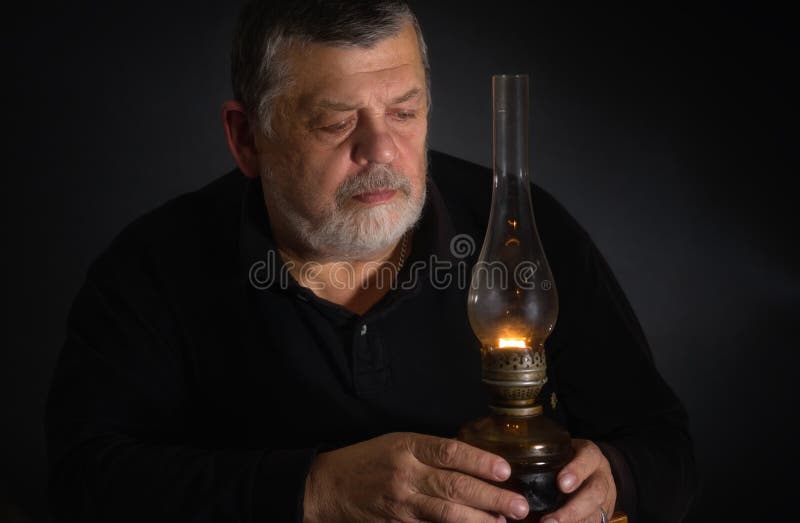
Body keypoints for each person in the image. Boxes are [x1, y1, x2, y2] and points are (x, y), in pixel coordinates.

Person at [45, 1, 697, 522]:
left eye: (404, 112)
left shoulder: (523, 232)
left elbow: (664, 448)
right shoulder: (152, 267)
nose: (381, 150)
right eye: (336, 123)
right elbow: (82, 484)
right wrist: (314, 491)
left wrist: (616, 479)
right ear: (247, 138)